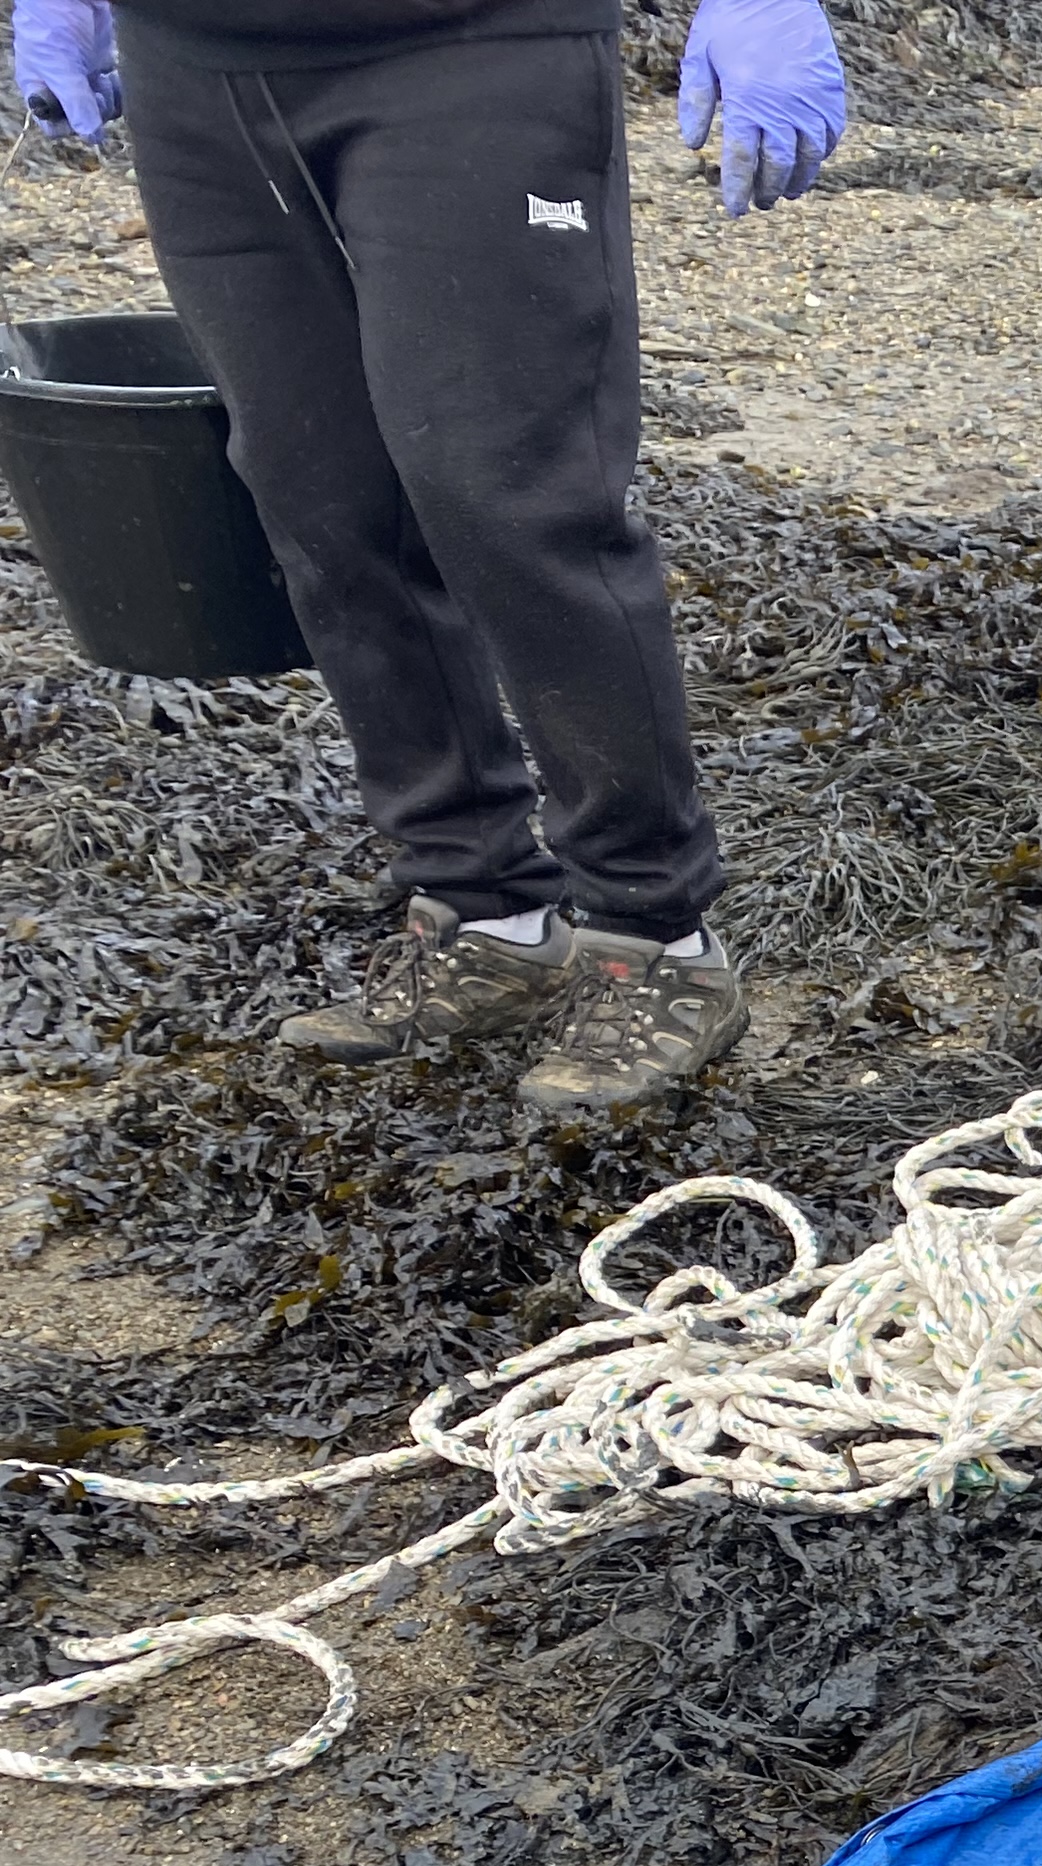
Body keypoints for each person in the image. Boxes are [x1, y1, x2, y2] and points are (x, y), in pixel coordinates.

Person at [9, 0, 847, 1110]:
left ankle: (655, 936)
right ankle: (483, 906)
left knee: (510, 497)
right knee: (321, 498)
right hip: (199, 69)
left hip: (473, 47)